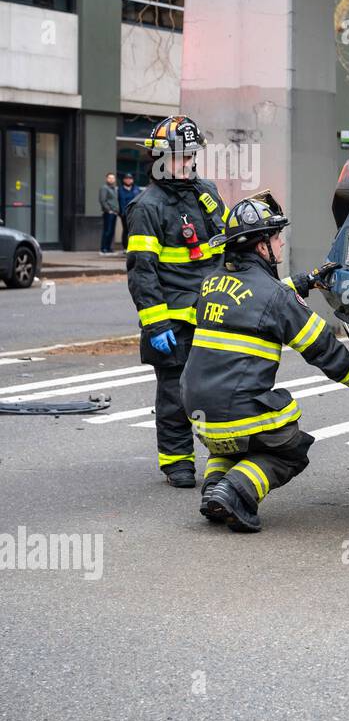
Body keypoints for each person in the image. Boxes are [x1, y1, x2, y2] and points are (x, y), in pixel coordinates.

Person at [183, 193, 349, 532]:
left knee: (233, 444)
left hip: (199, 412)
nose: (281, 242)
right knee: (290, 449)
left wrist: (303, 282)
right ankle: (236, 490)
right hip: (235, 411)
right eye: (275, 236)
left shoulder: (211, 283)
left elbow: (254, 298)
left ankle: (215, 491)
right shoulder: (275, 298)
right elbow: (323, 349)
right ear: (260, 247)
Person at [125, 116, 228, 488]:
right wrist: (155, 324)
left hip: (213, 314)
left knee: (217, 390)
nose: (186, 164)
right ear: (159, 159)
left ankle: (225, 456)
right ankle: (177, 463)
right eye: (178, 157)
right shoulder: (146, 207)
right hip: (172, 322)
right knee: (173, 394)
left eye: (190, 156)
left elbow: (226, 247)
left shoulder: (207, 193)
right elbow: (142, 271)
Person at [117, 174, 141, 250]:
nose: (128, 180)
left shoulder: (136, 189)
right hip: (124, 214)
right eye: (126, 178)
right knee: (126, 230)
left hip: (135, 213)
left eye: (130, 178)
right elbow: (117, 201)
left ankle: (134, 247)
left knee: (135, 230)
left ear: (132, 180)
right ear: (123, 180)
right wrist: (120, 212)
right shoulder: (120, 190)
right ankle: (125, 247)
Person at [98, 173, 119, 255]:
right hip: (108, 213)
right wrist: (108, 210)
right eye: (109, 178)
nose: (111, 179)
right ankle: (103, 249)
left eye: (113, 178)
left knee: (111, 231)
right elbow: (102, 200)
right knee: (107, 230)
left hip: (114, 213)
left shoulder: (114, 188)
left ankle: (108, 248)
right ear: (106, 179)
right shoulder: (104, 188)